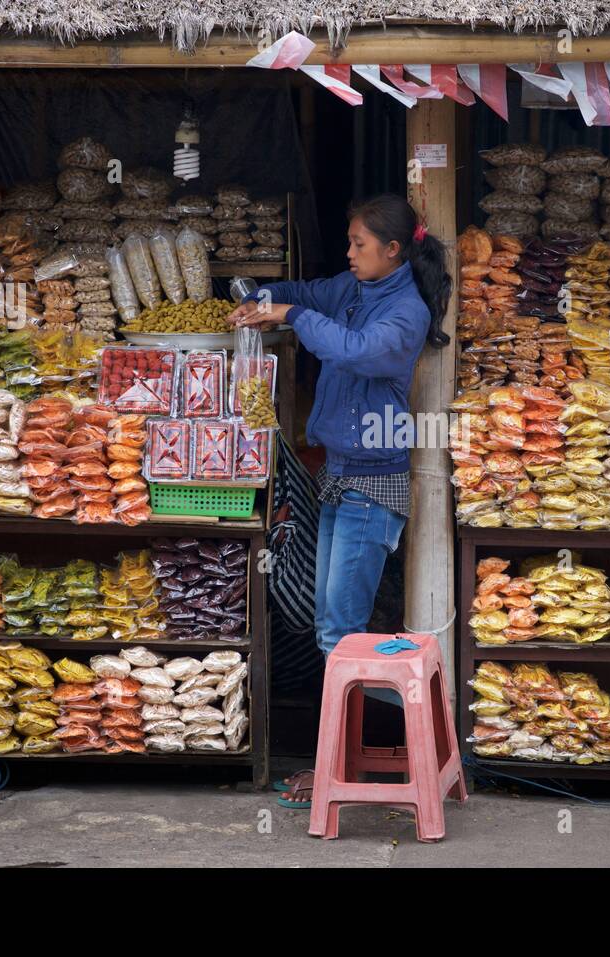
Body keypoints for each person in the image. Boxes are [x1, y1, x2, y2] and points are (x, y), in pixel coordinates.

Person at [228, 194, 451, 808]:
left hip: (371, 488)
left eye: (358, 245)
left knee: (339, 633)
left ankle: (357, 760)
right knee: (336, 631)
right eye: (349, 243)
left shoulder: (404, 311)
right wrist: (263, 299)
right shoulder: (355, 290)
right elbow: (309, 291)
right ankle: (351, 757)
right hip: (341, 479)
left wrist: (294, 314)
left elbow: (354, 350)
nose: (348, 254)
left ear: (394, 250)